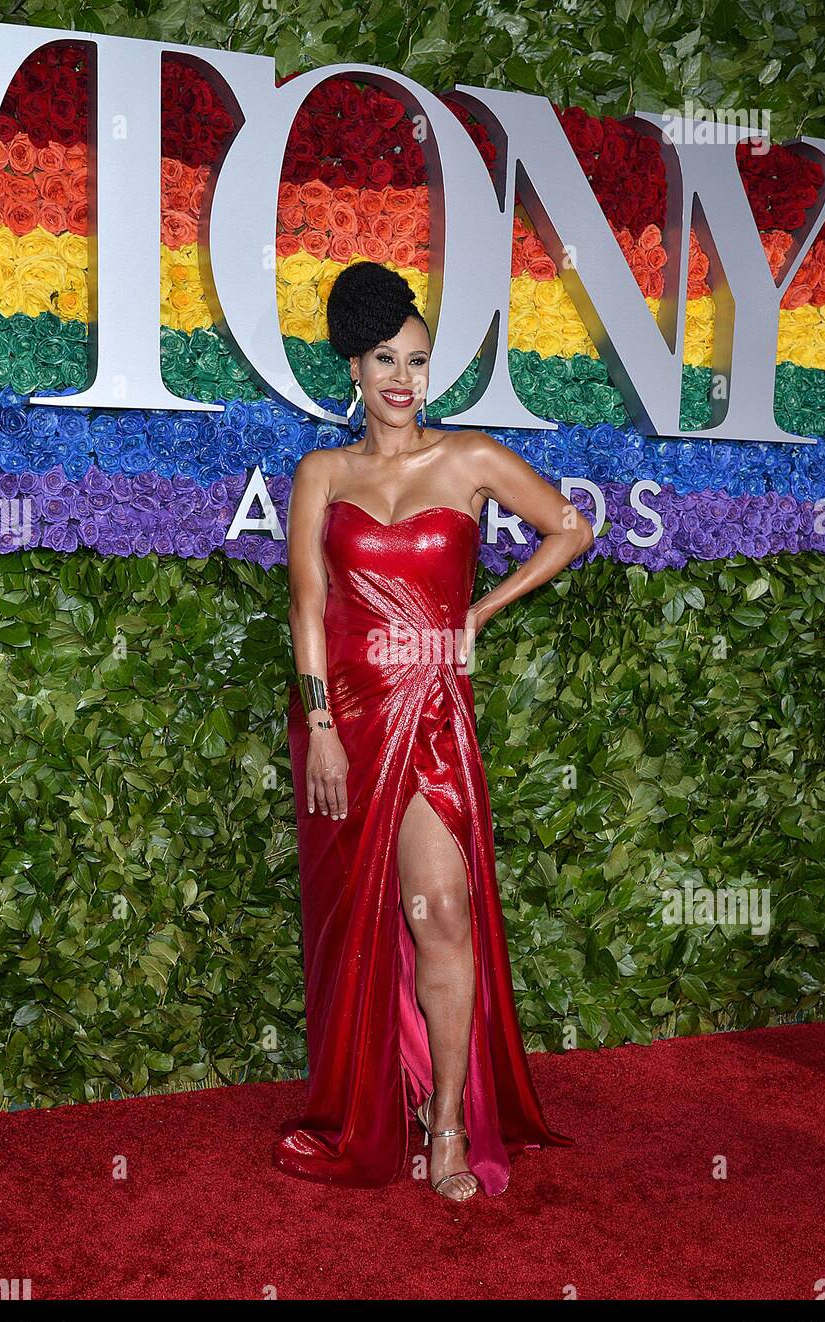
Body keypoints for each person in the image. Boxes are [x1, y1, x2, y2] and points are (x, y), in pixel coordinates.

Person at [274, 259, 593, 1202]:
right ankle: (381, 1096)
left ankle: (447, 1123)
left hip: (432, 715)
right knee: (362, 928)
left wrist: (477, 618)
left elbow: (569, 528)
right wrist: (321, 725)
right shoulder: (321, 473)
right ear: (356, 372)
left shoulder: (472, 458)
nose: (404, 378)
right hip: (347, 721)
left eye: (417, 359)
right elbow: (305, 604)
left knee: (440, 910)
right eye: (385, 359)